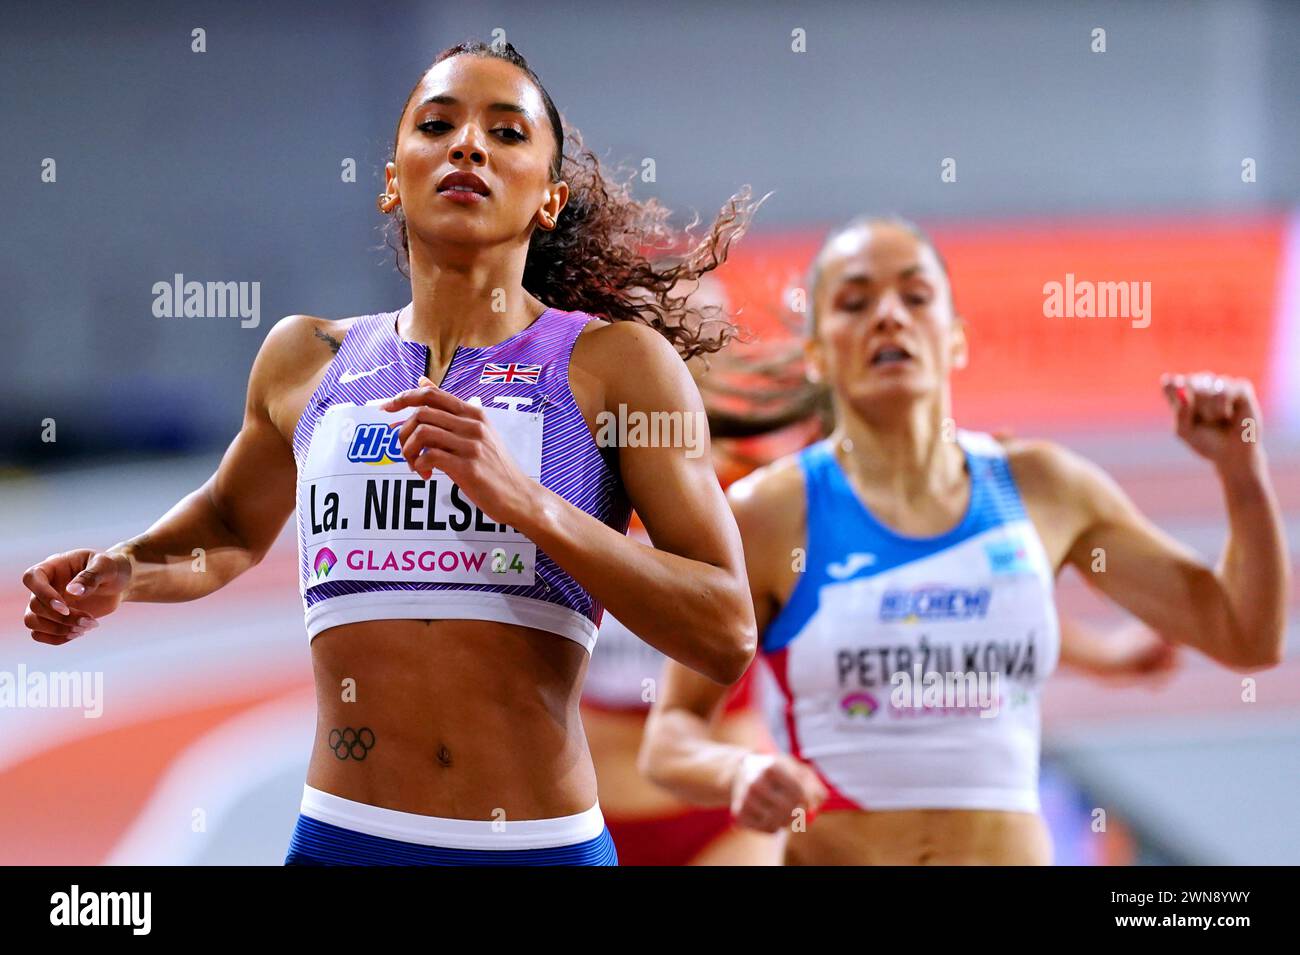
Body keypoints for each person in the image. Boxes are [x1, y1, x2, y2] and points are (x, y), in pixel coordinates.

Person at [20, 40, 763, 866]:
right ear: (390, 180)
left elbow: (726, 629)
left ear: (549, 200)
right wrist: (123, 570)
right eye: (437, 124)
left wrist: (527, 501)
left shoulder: (612, 367)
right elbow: (230, 525)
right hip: (345, 842)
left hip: (534, 846)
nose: (468, 146)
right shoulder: (309, 359)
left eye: (507, 133)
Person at [640, 216, 1290, 865]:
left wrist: (1241, 472)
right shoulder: (768, 514)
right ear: (817, 352)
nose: (889, 316)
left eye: (916, 296)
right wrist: (738, 772)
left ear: (955, 339)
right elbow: (670, 736)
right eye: (856, 301)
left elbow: (1242, 633)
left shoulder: (1044, 486)